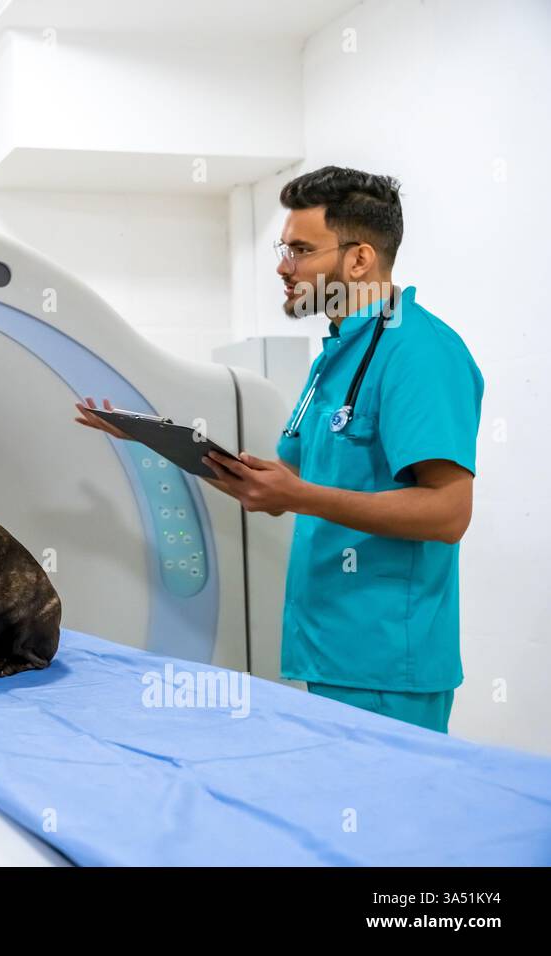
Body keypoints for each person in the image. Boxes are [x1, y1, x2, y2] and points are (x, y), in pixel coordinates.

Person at [76, 166, 482, 734]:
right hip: (328, 647)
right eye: (283, 247)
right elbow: (273, 490)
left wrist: (301, 495)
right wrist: (152, 439)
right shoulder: (333, 359)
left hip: (389, 659)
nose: (281, 266)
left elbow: (447, 512)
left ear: (359, 259)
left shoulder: (418, 353)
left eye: (300, 250)